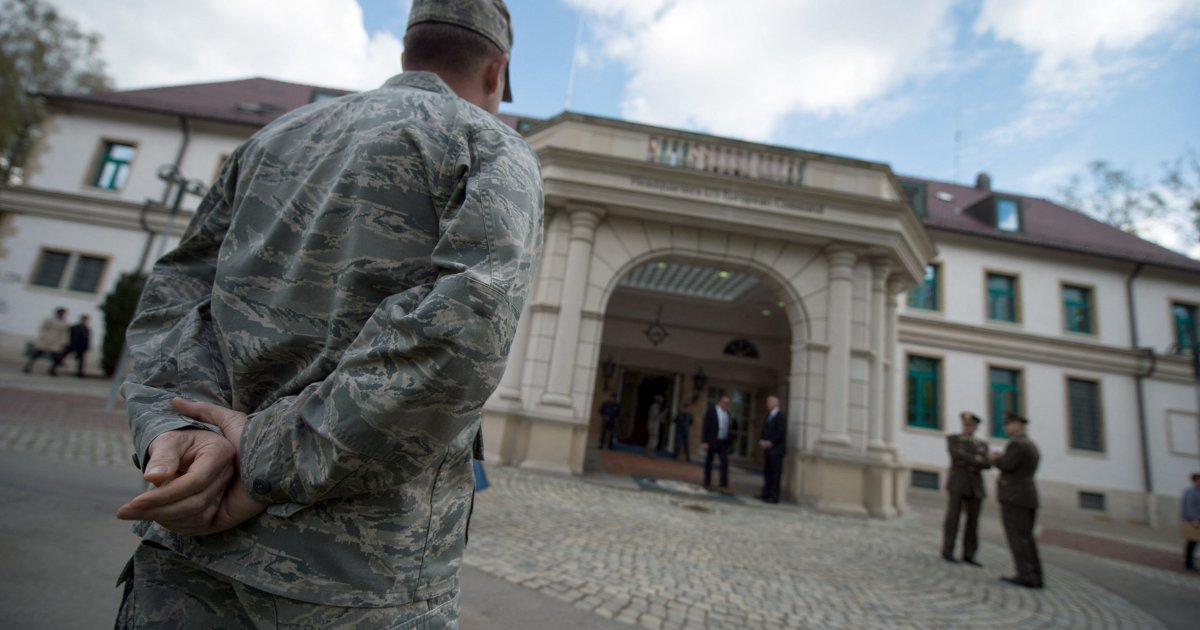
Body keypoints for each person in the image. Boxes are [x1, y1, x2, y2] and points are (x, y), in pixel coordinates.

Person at [112, 1, 543, 626]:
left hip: (183, 554)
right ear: (497, 71)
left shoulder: (275, 137)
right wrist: (265, 461)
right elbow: (460, 336)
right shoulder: (488, 144)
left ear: (406, 54)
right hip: (351, 582)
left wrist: (178, 433)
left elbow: (177, 295)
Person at [989, 413, 1043, 589]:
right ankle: (1035, 573)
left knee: (1017, 536)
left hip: (1014, 496)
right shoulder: (1031, 444)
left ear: (1017, 426)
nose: (1005, 428)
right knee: (1027, 536)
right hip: (1027, 495)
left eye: (1008, 425)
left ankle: (1025, 574)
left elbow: (1008, 465)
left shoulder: (1017, 444)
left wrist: (996, 459)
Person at [941, 411, 990, 565]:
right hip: (958, 484)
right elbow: (957, 456)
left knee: (973, 522)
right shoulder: (954, 440)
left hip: (975, 487)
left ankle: (969, 554)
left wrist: (973, 459)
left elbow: (987, 464)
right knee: (953, 518)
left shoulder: (982, 444)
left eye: (971, 425)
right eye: (966, 424)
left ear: (976, 427)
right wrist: (976, 459)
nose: (968, 427)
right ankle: (948, 550)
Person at [23, 307, 69, 375]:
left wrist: (64, 343)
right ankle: (28, 367)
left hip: (56, 341)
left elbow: (65, 333)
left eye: (63, 313)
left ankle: (52, 370)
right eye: (61, 313)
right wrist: (45, 336)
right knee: (37, 354)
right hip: (46, 340)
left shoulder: (65, 322)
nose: (62, 314)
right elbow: (43, 328)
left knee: (56, 357)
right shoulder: (49, 319)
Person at [701, 395, 733, 492]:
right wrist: (704, 441)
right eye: (724, 402)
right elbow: (705, 426)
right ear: (720, 402)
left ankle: (724, 485)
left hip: (722, 442)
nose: (725, 404)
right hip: (712, 440)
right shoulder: (712, 411)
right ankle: (707, 483)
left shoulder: (727, 413)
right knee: (709, 462)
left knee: (725, 462)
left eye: (727, 403)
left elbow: (729, 427)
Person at [758, 395, 786, 504]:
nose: (767, 404)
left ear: (775, 403)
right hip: (768, 449)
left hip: (776, 450)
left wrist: (770, 442)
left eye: (769, 402)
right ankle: (766, 494)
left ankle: (774, 497)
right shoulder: (768, 415)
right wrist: (762, 440)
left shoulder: (780, 416)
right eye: (767, 402)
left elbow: (781, 432)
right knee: (767, 473)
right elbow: (764, 429)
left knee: (775, 474)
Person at [1182, 472, 1200, 571]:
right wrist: (1194, 520)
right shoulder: (1190, 492)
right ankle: (1189, 563)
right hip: (1194, 522)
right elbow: (1189, 507)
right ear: (1195, 481)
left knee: (1194, 543)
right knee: (1192, 543)